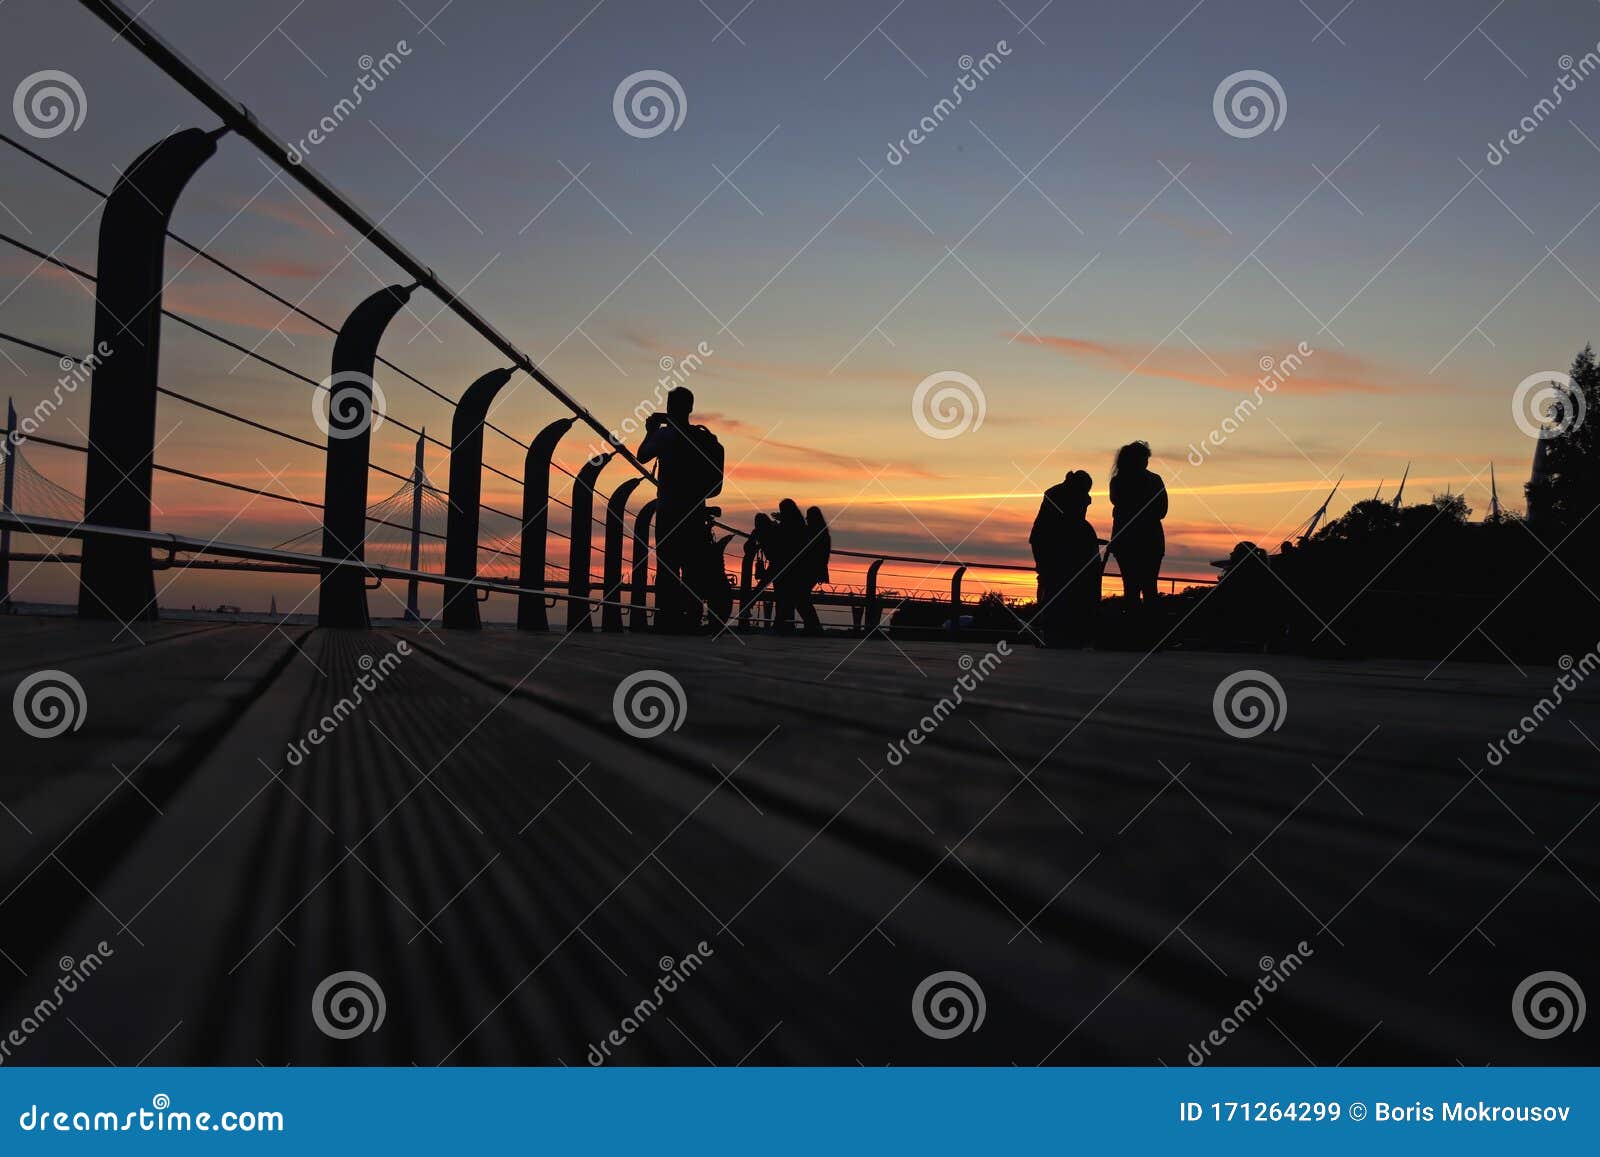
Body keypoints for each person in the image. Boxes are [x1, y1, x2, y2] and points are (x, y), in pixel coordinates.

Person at [638, 387, 723, 632]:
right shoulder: (702, 437)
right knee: (693, 566)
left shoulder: (666, 435)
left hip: (669, 510)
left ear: (669, 406)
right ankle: (692, 618)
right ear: (691, 408)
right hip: (695, 510)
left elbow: (642, 455)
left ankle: (667, 619)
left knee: (668, 566)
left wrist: (651, 431)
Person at [1030, 470, 1102, 646]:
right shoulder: (1062, 497)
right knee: (1053, 585)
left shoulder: (1060, 493)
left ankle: (1053, 630)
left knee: (1052, 585)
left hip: (1051, 544)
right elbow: (1067, 524)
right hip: (1050, 545)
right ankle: (1051, 631)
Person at [1108, 441, 1167, 617]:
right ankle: (1144, 632)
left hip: (1132, 541)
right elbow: (1161, 510)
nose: (1145, 463)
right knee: (1146, 587)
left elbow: (1161, 510)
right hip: (1143, 540)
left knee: (1134, 588)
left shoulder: (1119, 481)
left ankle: (1137, 631)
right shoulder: (1152, 480)